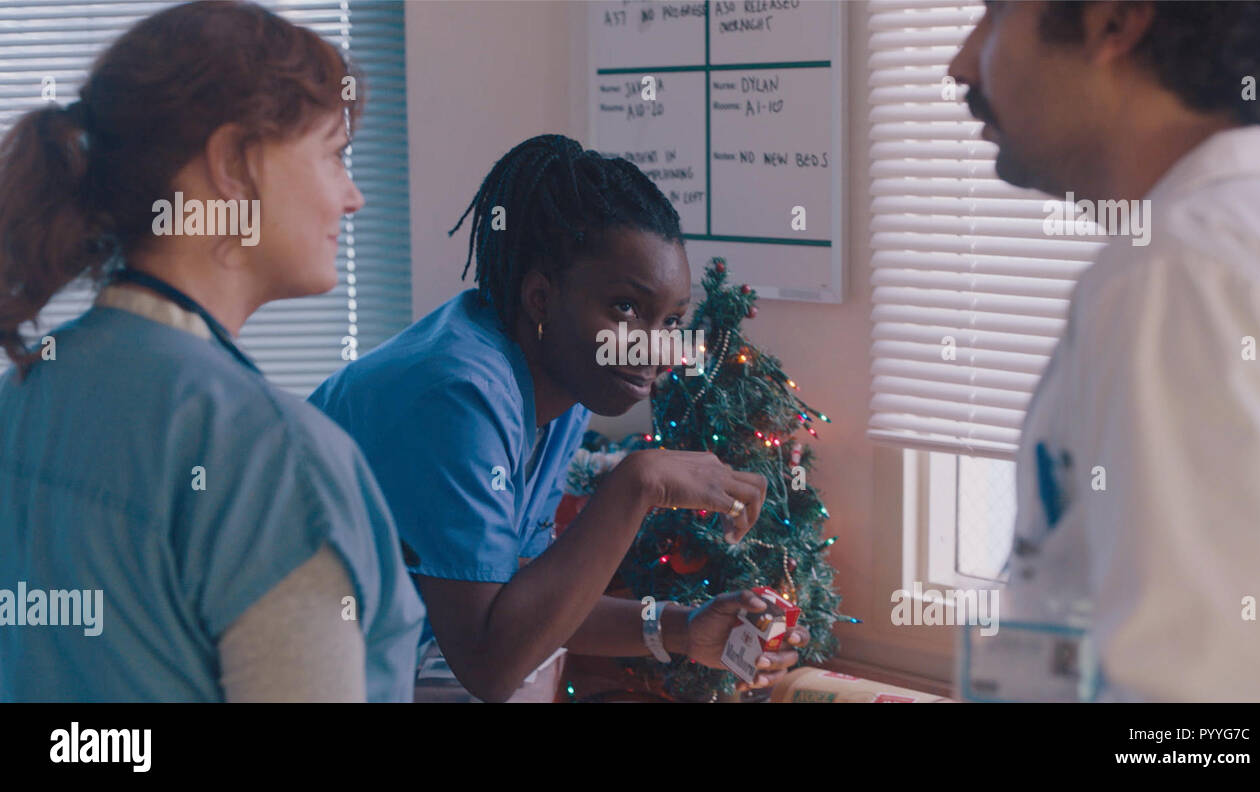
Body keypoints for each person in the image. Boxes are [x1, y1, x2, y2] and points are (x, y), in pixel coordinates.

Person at [0, 1, 425, 702]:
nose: (353, 198)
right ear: (232, 163)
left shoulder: (29, 389)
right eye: (334, 156)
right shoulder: (271, 459)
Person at [310, 134, 808, 702]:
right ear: (541, 298)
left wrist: (684, 629)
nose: (658, 350)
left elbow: (524, 599)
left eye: (670, 321)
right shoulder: (460, 395)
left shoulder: (560, 384)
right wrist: (637, 483)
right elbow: (489, 664)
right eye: (627, 309)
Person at [949, 0, 1260, 701]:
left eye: (995, 15)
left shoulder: (1180, 275)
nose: (961, 62)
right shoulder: (1247, 232)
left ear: (1115, 23)